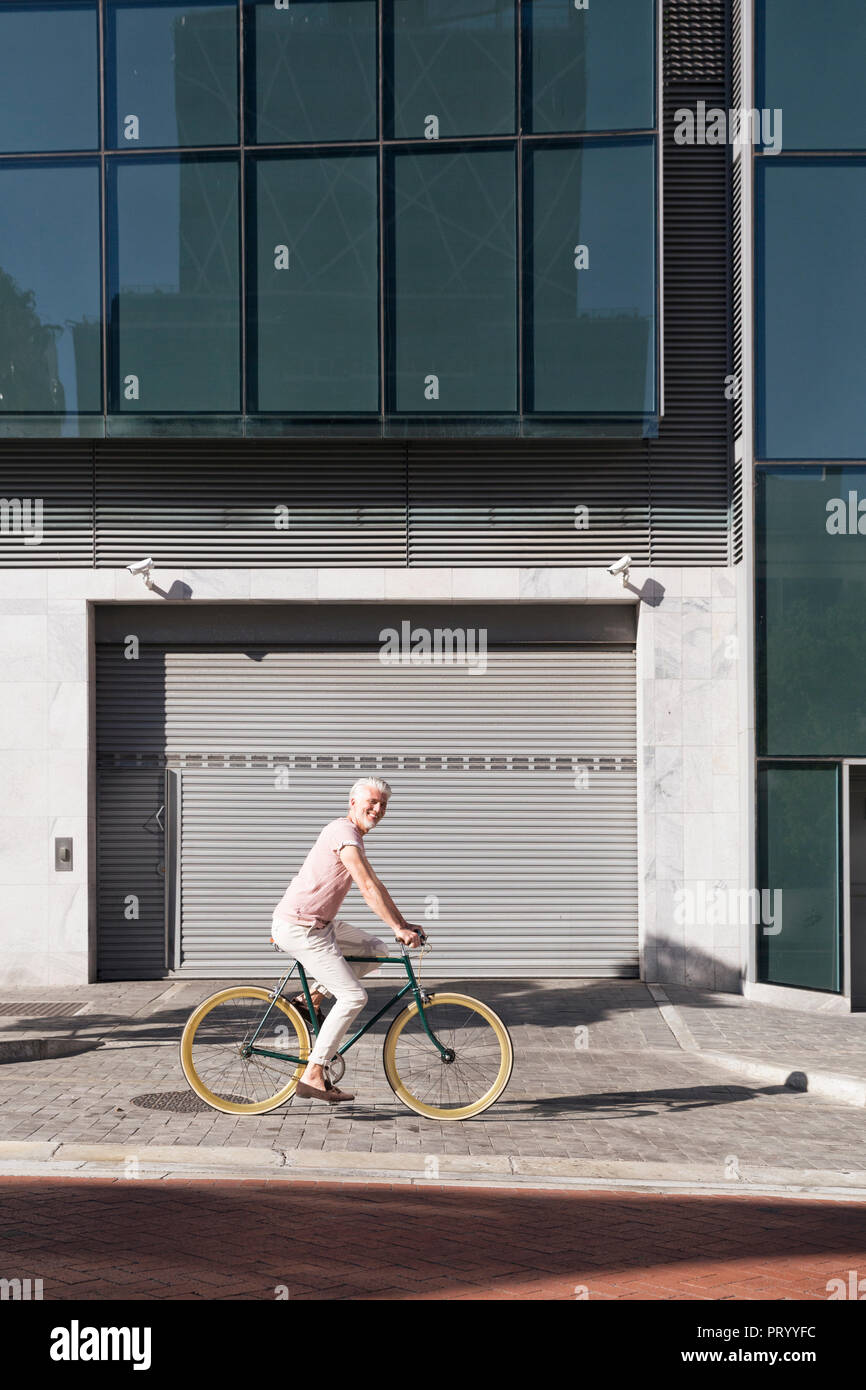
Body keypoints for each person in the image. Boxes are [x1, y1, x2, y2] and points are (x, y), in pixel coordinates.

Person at [270, 776, 424, 1104]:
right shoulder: (343, 833)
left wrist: (403, 922)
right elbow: (367, 887)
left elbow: (375, 884)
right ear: (352, 803)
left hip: (321, 923)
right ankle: (313, 1076)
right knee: (354, 998)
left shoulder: (352, 835)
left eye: (383, 804)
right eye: (372, 802)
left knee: (377, 950)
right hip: (302, 926)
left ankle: (311, 998)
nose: (378, 809)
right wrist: (398, 927)